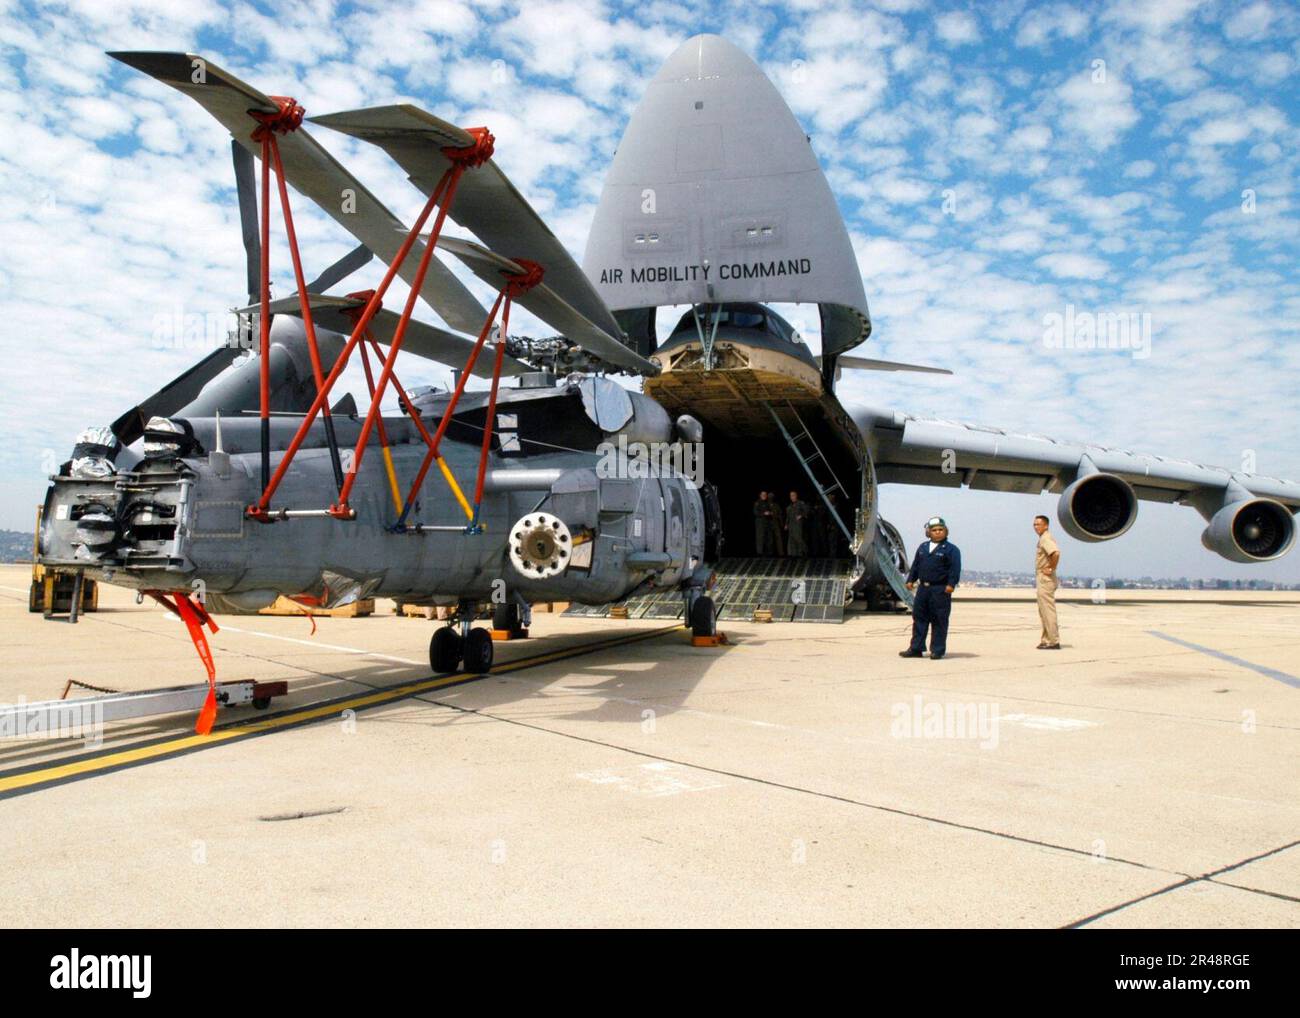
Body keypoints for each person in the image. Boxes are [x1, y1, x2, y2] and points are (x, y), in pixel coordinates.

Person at [899, 516, 961, 660]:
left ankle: (937, 650)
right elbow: (916, 566)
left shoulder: (951, 550)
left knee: (939, 619)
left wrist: (951, 584)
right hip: (923, 589)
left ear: (946, 531)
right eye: (934, 530)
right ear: (929, 532)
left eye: (941, 529)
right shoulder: (923, 547)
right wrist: (911, 580)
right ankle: (916, 648)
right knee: (919, 618)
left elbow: (955, 568)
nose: (938, 532)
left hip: (940, 590)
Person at [1033, 514, 1061, 649]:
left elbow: (1055, 553)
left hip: (1045, 579)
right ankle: (1046, 639)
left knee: (1047, 610)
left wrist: (1051, 567)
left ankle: (1053, 641)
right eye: (1034, 524)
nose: (1036, 527)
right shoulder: (1043, 538)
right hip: (1043, 578)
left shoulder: (1045, 538)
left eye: (1038, 524)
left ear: (1046, 525)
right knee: (1043, 610)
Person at [786, 491, 810, 556]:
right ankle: (794, 554)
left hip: (798, 524)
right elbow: (788, 516)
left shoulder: (800, 503)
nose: (792, 497)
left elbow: (807, 510)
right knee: (792, 540)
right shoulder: (789, 506)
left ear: (796, 496)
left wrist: (801, 515)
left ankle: (805, 551)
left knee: (798, 538)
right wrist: (786, 524)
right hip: (791, 524)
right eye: (791, 496)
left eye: (793, 495)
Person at [753, 490, 774, 555]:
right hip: (760, 524)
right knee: (760, 539)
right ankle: (760, 554)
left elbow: (772, 512)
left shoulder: (768, 503)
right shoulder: (757, 503)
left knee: (769, 539)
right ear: (760, 495)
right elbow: (755, 512)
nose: (764, 496)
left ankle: (769, 553)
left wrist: (770, 513)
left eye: (765, 494)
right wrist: (764, 513)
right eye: (763, 494)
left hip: (768, 523)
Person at [768, 490, 785, 556]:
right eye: (769, 496)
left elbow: (780, 514)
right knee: (770, 540)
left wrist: (782, 524)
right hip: (769, 524)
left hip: (776, 523)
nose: (771, 498)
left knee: (779, 539)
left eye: (772, 496)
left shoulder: (776, 505)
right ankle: (769, 553)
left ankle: (781, 553)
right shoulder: (766, 505)